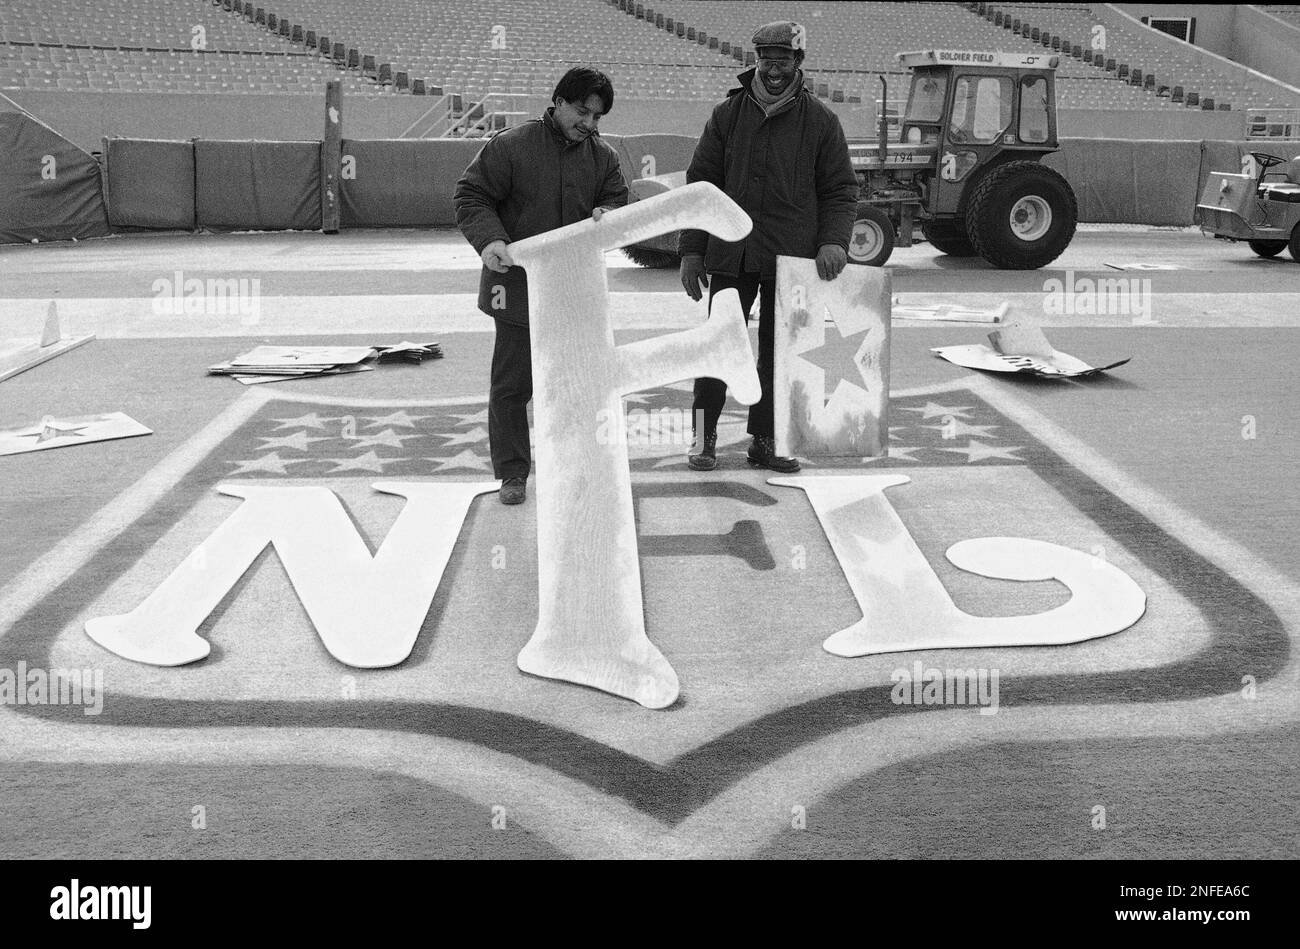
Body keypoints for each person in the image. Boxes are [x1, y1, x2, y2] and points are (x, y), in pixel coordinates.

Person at [679, 20, 859, 472]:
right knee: (718, 348)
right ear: (755, 60)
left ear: (798, 62)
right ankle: (703, 439)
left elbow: (840, 190)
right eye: (765, 60)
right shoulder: (727, 115)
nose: (773, 69)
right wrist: (691, 250)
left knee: (780, 355)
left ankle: (766, 438)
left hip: (791, 259)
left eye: (782, 60)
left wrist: (834, 241)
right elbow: (701, 186)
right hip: (730, 252)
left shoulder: (821, 121)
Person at [454, 67, 629, 504]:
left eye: (598, 117)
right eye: (583, 112)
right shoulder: (511, 146)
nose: (589, 124)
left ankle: (573, 464)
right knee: (512, 387)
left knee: (576, 384)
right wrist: (491, 239)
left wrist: (608, 213)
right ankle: (513, 473)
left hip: (575, 291)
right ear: (559, 101)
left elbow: (617, 199)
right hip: (516, 290)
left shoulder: (603, 157)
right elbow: (471, 195)